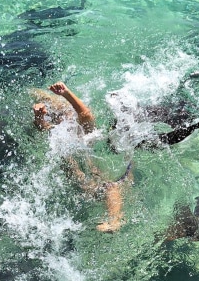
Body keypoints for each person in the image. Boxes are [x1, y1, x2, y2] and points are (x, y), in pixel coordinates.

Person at [33, 83, 132, 233]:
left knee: (108, 187)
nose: (63, 118)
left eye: (66, 113)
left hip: (103, 173)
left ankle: (115, 220)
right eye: (58, 115)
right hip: (83, 174)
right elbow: (45, 129)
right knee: (76, 171)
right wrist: (39, 118)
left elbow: (86, 114)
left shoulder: (85, 132)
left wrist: (67, 94)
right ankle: (113, 218)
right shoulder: (60, 132)